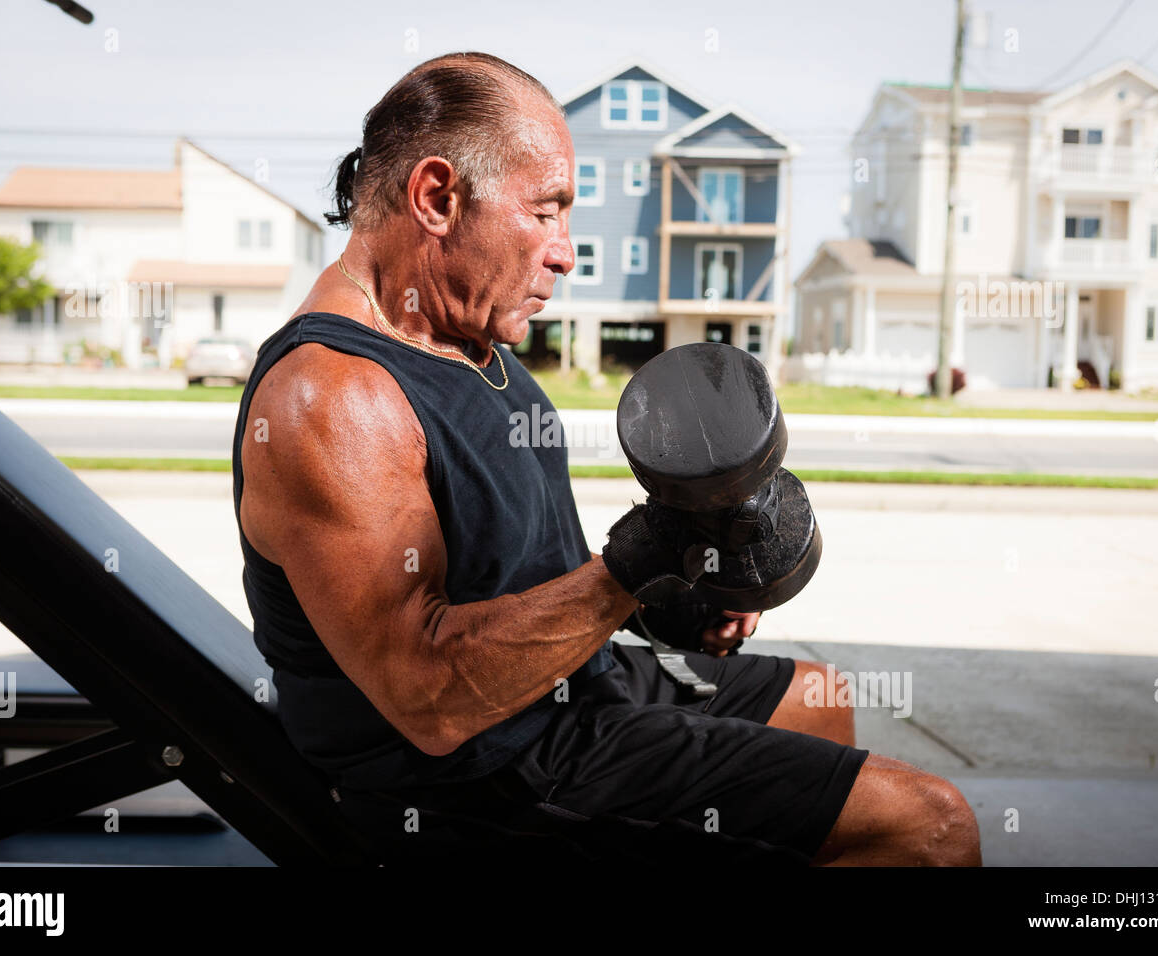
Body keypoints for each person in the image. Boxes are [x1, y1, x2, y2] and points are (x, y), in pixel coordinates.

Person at [232, 51, 981, 866]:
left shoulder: (467, 343)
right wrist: (647, 553)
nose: (565, 252)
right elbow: (430, 696)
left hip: (565, 692)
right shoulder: (332, 397)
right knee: (932, 827)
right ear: (438, 198)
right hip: (474, 776)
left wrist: (670, 598)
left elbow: (522, 575)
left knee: (818, 695)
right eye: (546, 212)